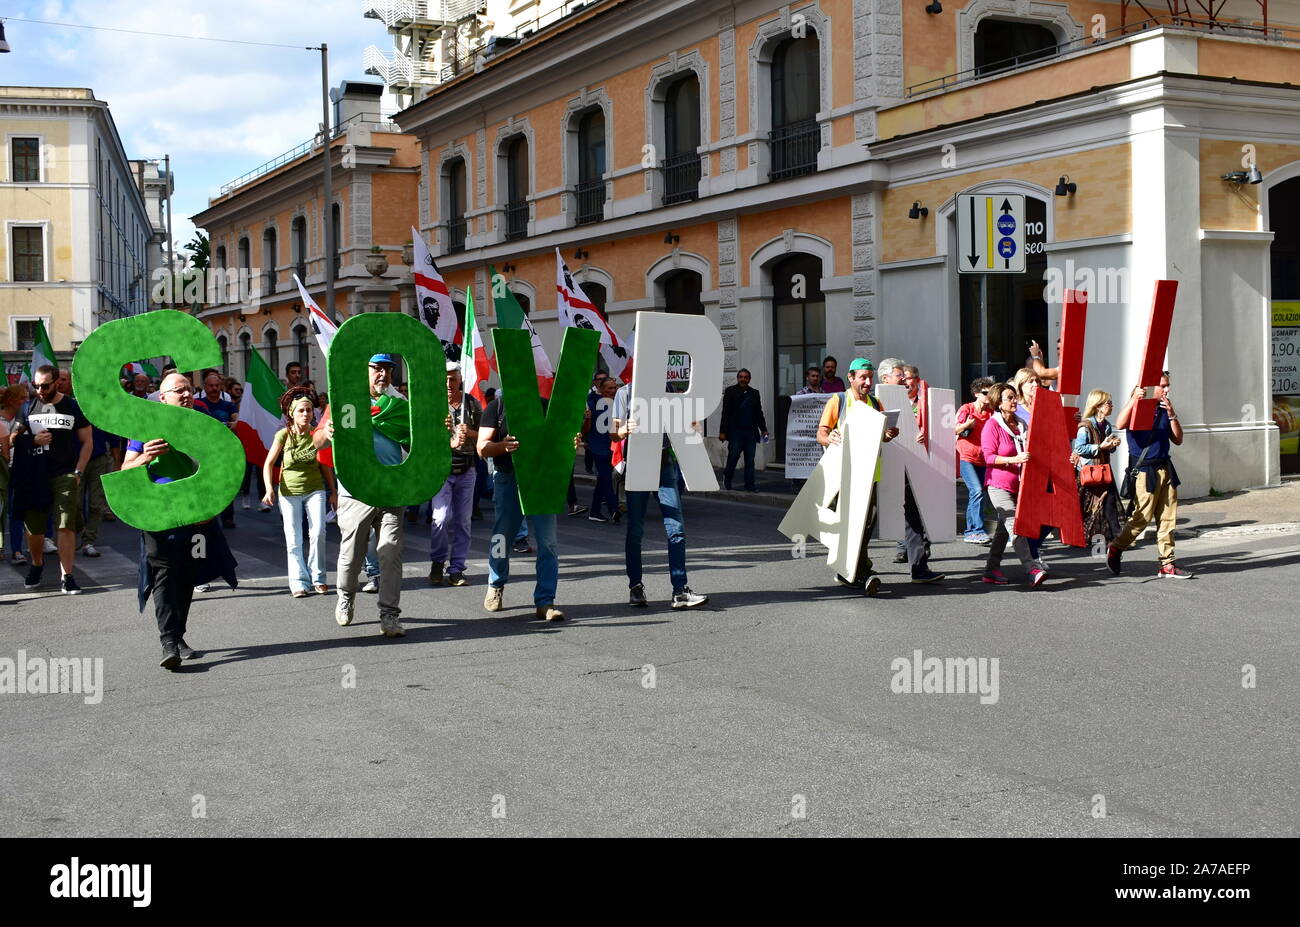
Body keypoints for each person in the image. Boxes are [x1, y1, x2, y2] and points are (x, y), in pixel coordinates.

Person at [122, 372, 238, 669]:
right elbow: (125, 469)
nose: (185, 395)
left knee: (187, 573)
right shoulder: (146, 427)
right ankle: (168, 642)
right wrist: (144, 457)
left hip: (195, 511)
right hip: (158, 511)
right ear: (162, 398)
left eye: (188, 389)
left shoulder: (204, 424)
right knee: (164, 571)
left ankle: (178, 634)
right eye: (178, 391)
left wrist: (214, 504)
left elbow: (220, 468)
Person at [314, 354, 410, 636]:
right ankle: (346, 595)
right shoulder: (345, 402)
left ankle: (389, 615)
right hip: (356, 490)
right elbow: (316, 440)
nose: (383, 374)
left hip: (392, 487)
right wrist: (327, 432)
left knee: (390, 551)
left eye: (388, 369)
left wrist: (438, 431)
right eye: (376, 368)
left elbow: (416, 437)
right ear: (364, 371)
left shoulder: (399, 405)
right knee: (353, 553)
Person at [477, 390, 575, 621]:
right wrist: (502, 446)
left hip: (541, 480)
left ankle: (545, 601)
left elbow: (561, 440)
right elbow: (482, 448)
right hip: (507, 478)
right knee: (501, 537)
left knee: (548, 543)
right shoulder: (497, 408)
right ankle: (496, 582)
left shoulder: (544, 406)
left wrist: (572, 442)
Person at [612, 380, 708, 608]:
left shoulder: (671, 389)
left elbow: (685, 423)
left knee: (676, 528)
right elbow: (614, 434)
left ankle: (680, 590)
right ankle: (635, 587)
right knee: (635, 529)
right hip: (638, 463)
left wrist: (692, 427)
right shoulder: (625, 392)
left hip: (664, 463)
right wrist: (625, 430)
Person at [815, 358, 901, 595]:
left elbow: (883, 435)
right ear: (851, 377)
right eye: (863, 377)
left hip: (871, 473)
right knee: (855, 524)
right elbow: (821, 433)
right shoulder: (839, 400)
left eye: (870, 377)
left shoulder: (875, 402)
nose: (867, 382)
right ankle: (859, 572)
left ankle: (851, 570)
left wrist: (890, 433)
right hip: (846, 473)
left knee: (866, 523)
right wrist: (829, 437)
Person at [10, 366, 92, 594]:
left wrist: (78, 472)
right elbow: (13, 438)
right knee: (34, 530)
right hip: (35, 476)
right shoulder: (28, 407)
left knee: (65, 524)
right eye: (35, 386)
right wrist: (33, 440)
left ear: (57, 382)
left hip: (64, 473)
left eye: (44, 386)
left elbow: (88, 442)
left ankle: (68, 576)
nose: (39, 390)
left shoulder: (72, 406)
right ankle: (37, 564)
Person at [1108, 372, 1193, 579]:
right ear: (1150, 388)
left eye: (1168, 385)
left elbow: (1178, 439)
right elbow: (1119, 424)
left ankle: (1167, 564)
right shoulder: (1137, 409)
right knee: (1142, 519)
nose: (1167, 389)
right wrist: (1133, 399)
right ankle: (1117, 547)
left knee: (1167, 519)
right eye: (1163, 385)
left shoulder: (1165, 409)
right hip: (1145, 471)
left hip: (1165, 468)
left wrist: (1172, 415)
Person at [263, 388, 333, 598]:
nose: (305, 414)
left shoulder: (316, 435)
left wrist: (334, 492)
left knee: (318, 533)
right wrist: (269, 489)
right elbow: (268, 464)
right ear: (292, 413)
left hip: (314, 489)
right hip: (289, 491)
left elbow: (325, 465)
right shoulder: (283, 435)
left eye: (309, 410)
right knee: (294, 540)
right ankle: (299, 583)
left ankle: (318, 578)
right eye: (301, 410)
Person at [981, 382, 1045, 586]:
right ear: (998, 402)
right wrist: (1014, 459)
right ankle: (1032, 568)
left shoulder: (1022, 425)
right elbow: (989, 457)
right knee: (1015, 527)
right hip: (998, 485)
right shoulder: (992, 425)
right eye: (1009, 397)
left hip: (1020, 485)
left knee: (1003, 530)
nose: (1014, 400)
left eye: (1014, 396)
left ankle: (991, 570)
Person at [428, 363, 481, 587]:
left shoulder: (471, 403)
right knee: (440, 519)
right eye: (445, 379)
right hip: (441, 471)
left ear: (460, 380)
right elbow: (424, 437)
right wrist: (443, 435)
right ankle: (438, 561)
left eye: (453, 379)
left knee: (463, 522)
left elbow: (485, 434)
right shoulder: (433, 404)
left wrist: (469, 432)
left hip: (466, 469)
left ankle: (457, 568)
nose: (449, 384)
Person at [195, 372, 240, 529]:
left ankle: (228, 517)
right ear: (205, 387)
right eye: (211, 386)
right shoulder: (198, 404)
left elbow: (236, 418)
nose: (214, 389)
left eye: (217, 386)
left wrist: (235, 422)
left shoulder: (228, 405)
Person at [956, 376, 996, 544]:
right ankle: (976, 530)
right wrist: (967, 425)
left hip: (983, 459)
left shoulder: (991, 412)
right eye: (986, 392)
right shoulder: (967, 409)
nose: (989, 396)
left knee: (980, 493)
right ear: (977, 393)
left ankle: (971, 531)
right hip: (966, 457)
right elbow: (953, 429)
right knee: (977, 491)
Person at [719, 369, 769, 492]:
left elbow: (759, 413)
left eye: (746, 377)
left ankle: (750, 486)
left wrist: (764, 429)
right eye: (741, 377)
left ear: (749, 379)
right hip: (735, 431)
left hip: (751, 432)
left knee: (750, 460)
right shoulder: (730, 391)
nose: (743, 379)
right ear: (737, 378)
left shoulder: (754, 393)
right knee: (733, 456)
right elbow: (725, 413)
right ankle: (728, 478)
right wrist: (723, 431)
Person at [586, 375, 620, 522]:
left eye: (615, 387)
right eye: (609, 388)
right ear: (601, 388)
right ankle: (613, 509)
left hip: (612, 445)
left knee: (602, 479)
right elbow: (586, 427)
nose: (613, 390)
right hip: (598, 446)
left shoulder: (619, 401)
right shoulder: (591, 401)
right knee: (606, 477)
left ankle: (594, 511)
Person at [0, 384, 27, 563]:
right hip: (2, 471)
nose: (25, 402)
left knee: (16, 512)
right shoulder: (0, 420)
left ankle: (17, 550)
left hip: (19, 470)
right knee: (1, 511)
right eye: (22, 398)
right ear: (11, 400)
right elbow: (5, 449)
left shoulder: (24, 420)